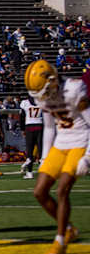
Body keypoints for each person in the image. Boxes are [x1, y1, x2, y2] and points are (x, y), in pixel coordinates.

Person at [23, 60, 89, 254]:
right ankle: (69, 229)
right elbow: (50, 127)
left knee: (62, 190)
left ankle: (60, 241)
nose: (41, 97)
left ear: (53, 80)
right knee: (39, 192)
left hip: (81, 141)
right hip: (61, 143)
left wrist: (88, 155)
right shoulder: (42, 97)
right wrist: (44, 158)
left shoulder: (74, 89)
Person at [19, 94, 44, 180]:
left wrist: (22, 129)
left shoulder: (25, 103)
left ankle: (29, 173)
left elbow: (22, 117)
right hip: (40, 127)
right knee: (41, 151)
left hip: (29, 127)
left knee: (30, 151)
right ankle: (43, 173)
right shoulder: (41, 102)